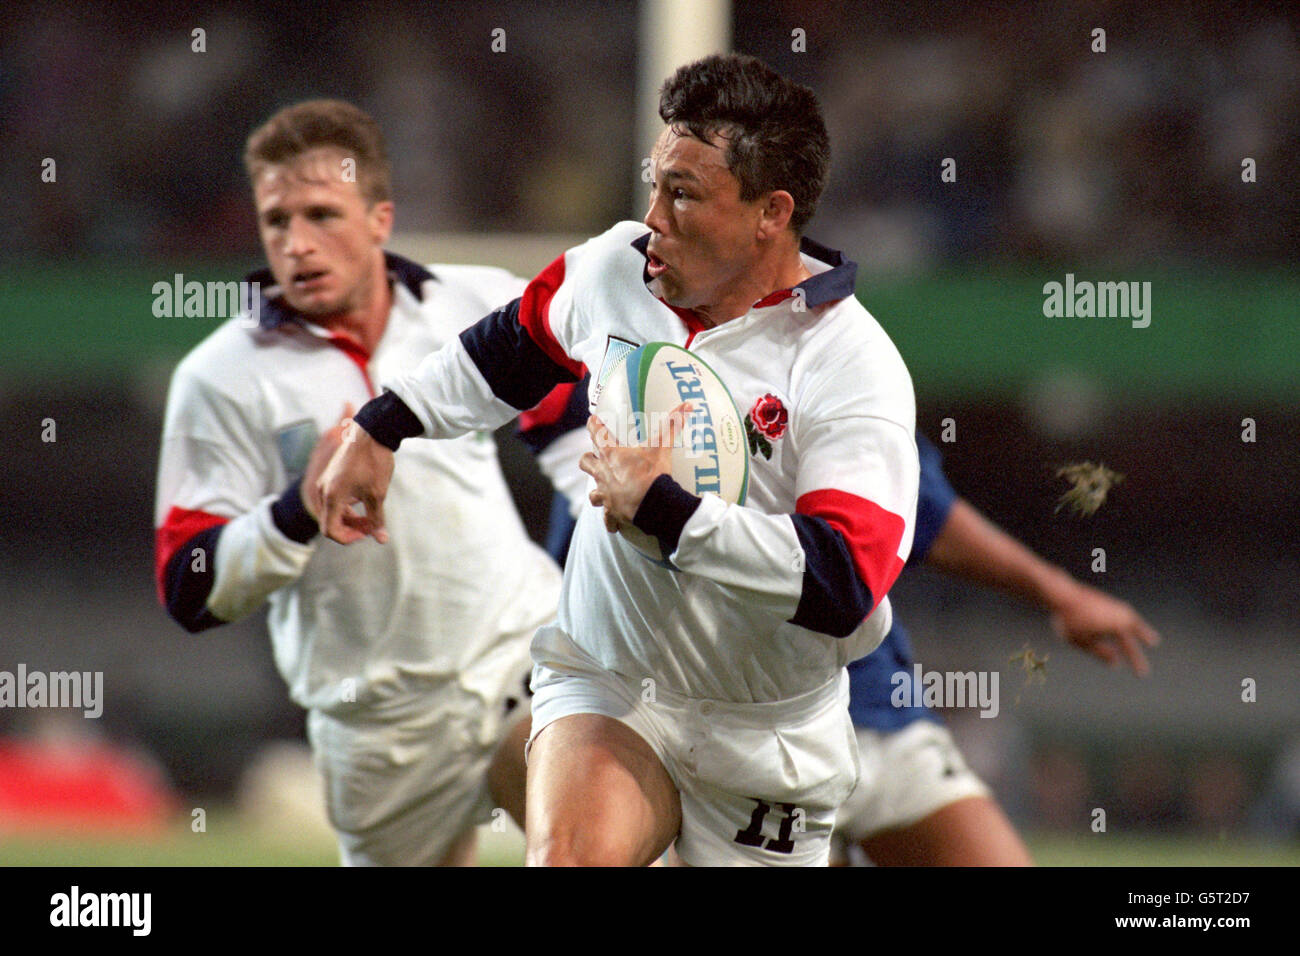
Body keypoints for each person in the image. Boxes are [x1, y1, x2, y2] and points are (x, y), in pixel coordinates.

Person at [318, 54, 919, 867]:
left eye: (683, 193)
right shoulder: (617, 269)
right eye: (654, 184)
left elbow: (843, 581)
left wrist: (667, 512)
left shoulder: (851, 367)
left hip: (766, 730)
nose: (653, 217)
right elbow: (510, 349)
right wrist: (382, 426)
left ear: (770, 213)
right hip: (611, 680)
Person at [153, 99, 562, 866]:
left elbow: (586, 396)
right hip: (374, 721)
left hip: (518, 657)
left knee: (588, 846)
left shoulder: (472, 304)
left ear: (379, 218)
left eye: (321, 214)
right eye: (277, 221)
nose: (298, 244)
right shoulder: (219, 378)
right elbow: (188, 583)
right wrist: (294, 511)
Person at [524, 391, 1161, 865]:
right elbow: (582, 599)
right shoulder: (624, 416)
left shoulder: (835, 367)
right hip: (716, 735)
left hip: (874, 711)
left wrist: (1060, 593)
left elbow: (928, 516)